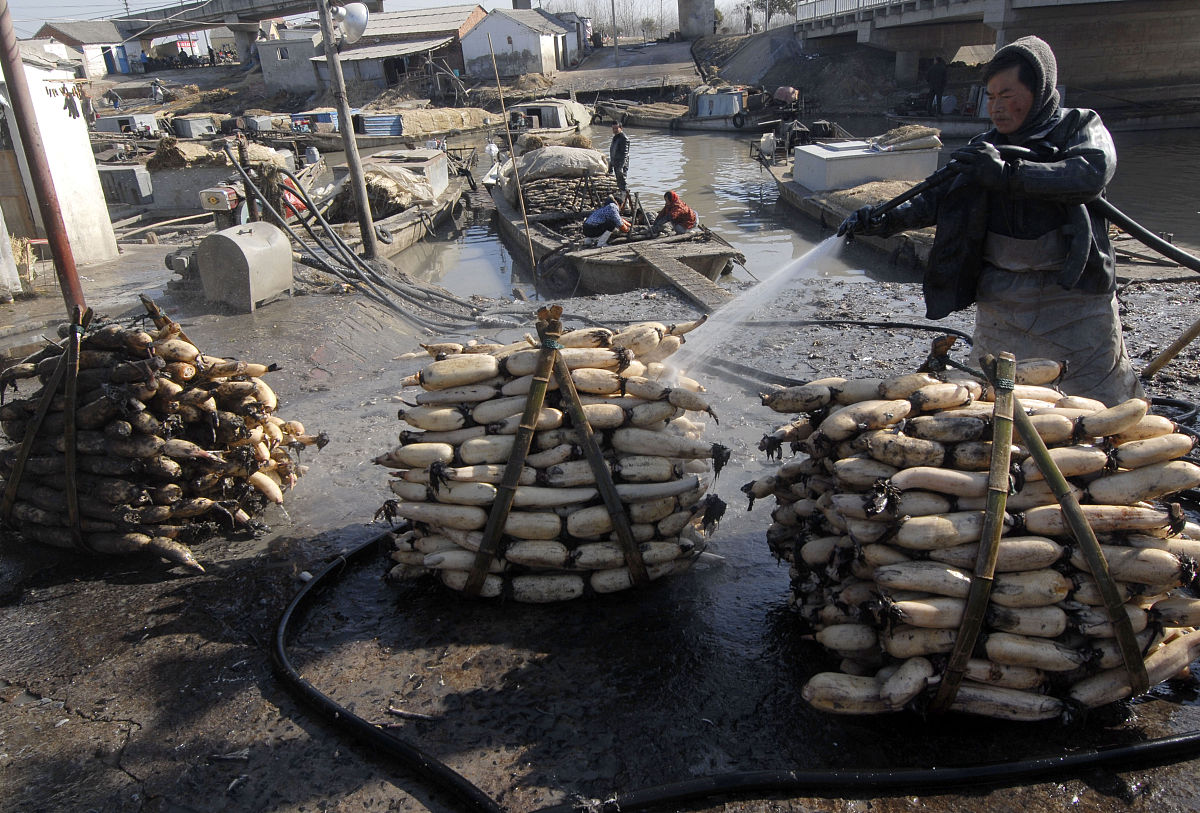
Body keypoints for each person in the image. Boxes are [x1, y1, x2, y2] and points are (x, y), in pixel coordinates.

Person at [837, 36, 1141, 406]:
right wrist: (882, 220)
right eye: (991, 96)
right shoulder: (982, 149)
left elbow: (1091, 173)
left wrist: (1009, 175)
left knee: (1092, 408)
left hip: (1074, 302)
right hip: (1003, 303)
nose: (996, 107)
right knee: (992, 403)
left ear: (1039, 91)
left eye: (1007, 95)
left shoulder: (1078, 126)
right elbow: (934, 197)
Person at [608, 122, 629, 192]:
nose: (614, 130)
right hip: (616, 163)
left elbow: (625, 154)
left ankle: (626, 195)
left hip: (621, 164)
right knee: (619, 183)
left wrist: (621, 167)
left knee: (623, 183)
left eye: (616, 128)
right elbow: (613, 152)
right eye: (613, 128)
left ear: (621, 128)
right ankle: (623, 195)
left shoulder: (624, 138)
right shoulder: (615, 137)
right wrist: (611, 164)